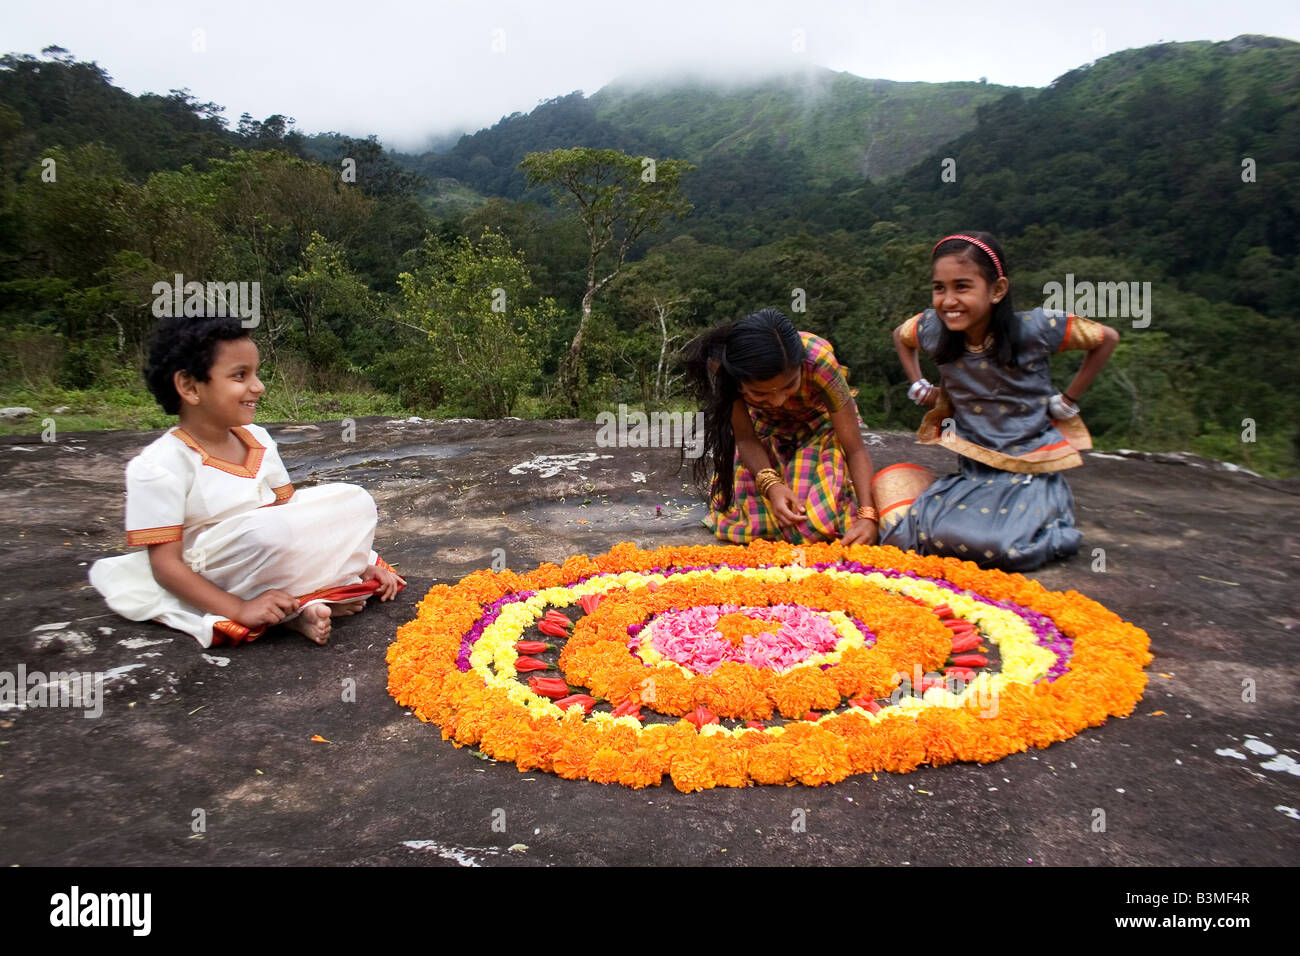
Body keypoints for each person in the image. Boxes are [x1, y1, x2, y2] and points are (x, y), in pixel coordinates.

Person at [89, 315, 404, 647]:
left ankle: (297, 608)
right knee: (266, 532)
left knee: (353, 499)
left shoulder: (258, 438)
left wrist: (365, 559)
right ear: (190, 387)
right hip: (215, 574)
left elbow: (291, 512)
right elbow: (166, 567)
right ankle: (296, 603)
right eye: (240, 375)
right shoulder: (159, 465)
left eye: (255, 373)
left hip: (273, 550)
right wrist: (239, 608)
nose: (258, 386)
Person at [875, 231, 1119, 571]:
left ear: (997, 290)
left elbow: (1106, 338)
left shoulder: (1035, 328)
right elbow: (901, 337)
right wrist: (920, 385)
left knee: (996, 547)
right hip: (973, 471)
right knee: (891, 499)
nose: (948, 300)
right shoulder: (934, 328)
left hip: (1028, 471)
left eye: (962, 287)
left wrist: (1067, 399)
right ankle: (946, 501)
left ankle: (1042, 520)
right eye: (939, 288)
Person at [684, 308, 879, 545]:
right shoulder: (726, 368)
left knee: (815, 525)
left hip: (820, 427)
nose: (778, 401)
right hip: (764, 431)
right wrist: (772, 486)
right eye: (759, 394)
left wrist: (868, 515)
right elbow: (745, 438)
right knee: (755, 526)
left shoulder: (819, 362)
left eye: (789, 386)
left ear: (800, 366)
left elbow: (855, 448)